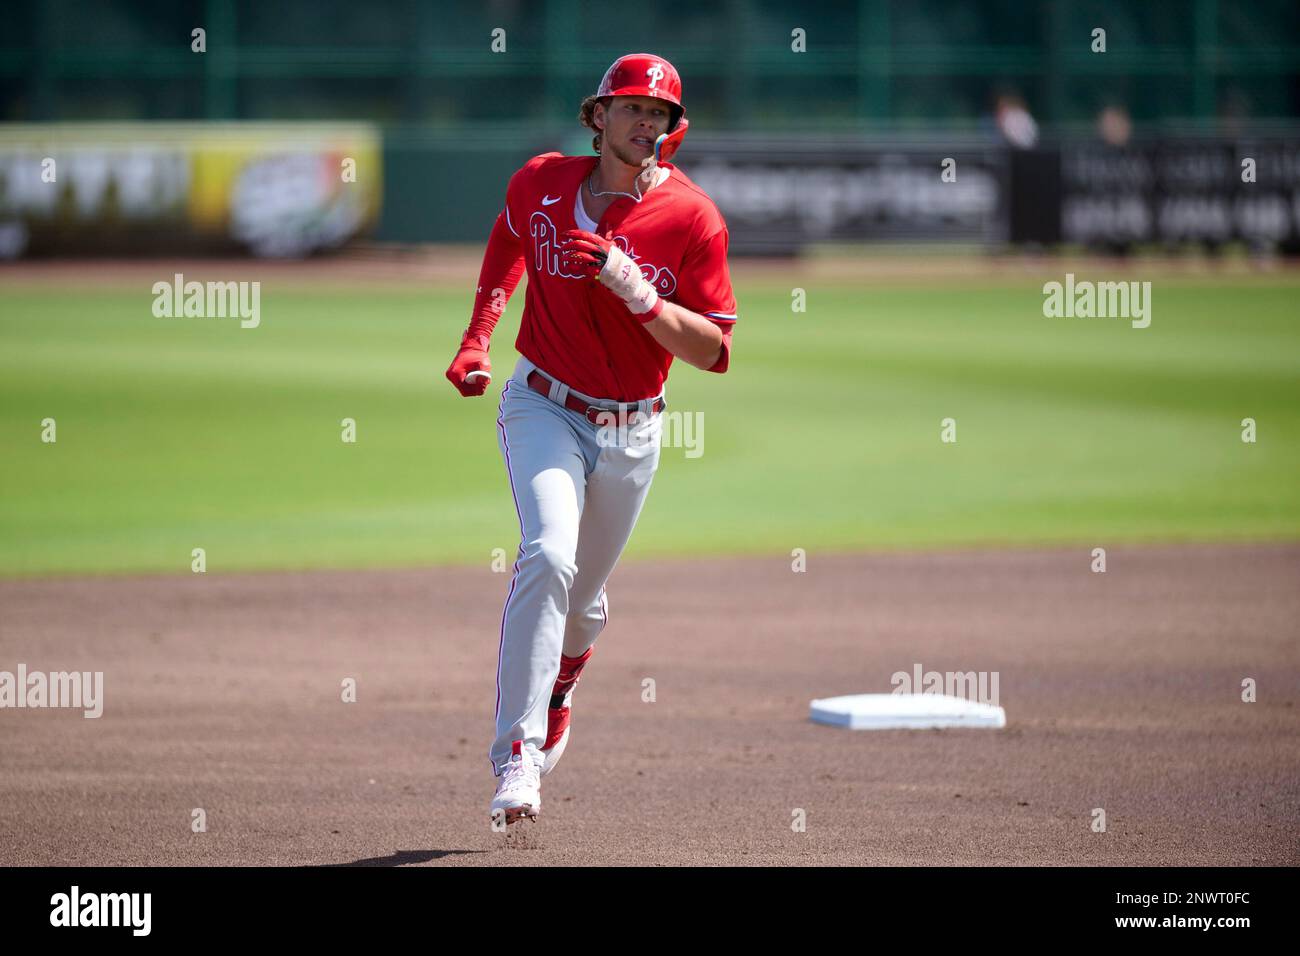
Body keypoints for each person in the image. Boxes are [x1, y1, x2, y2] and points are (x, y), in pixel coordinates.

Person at [443, 52, 740, 828]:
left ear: (673, 131)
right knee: (548, 553)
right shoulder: (540, 181)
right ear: (598, 115)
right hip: (542, 404)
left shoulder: (692, 217)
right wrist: (477, 339)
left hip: (632, 426)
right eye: (632, 108)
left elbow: (712, 350)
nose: (646, 123)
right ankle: (516, 755)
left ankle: (564, 685)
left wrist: (634, 288)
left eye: (660, 114)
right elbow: (509, 244)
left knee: (582, 605)